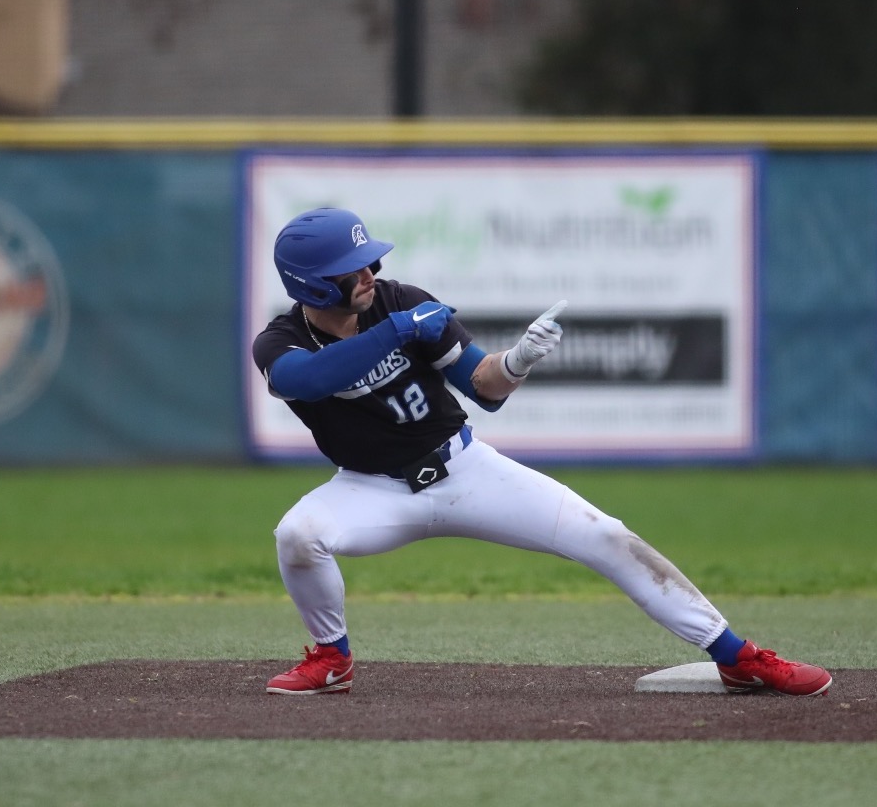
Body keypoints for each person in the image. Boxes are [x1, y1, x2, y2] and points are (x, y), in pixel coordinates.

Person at [252, 206, 832, 698]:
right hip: (371, 488)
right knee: (297, 536)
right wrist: (397, 332)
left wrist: (518, 361)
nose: (373, 273)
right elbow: (308, 379)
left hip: (465, 468)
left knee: (607, 535)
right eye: (353, 268)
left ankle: (737, 657)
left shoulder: (400, 302)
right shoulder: (283, 340)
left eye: (372, 261)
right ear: (313, 285)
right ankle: (333, 658)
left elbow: (484, 387)